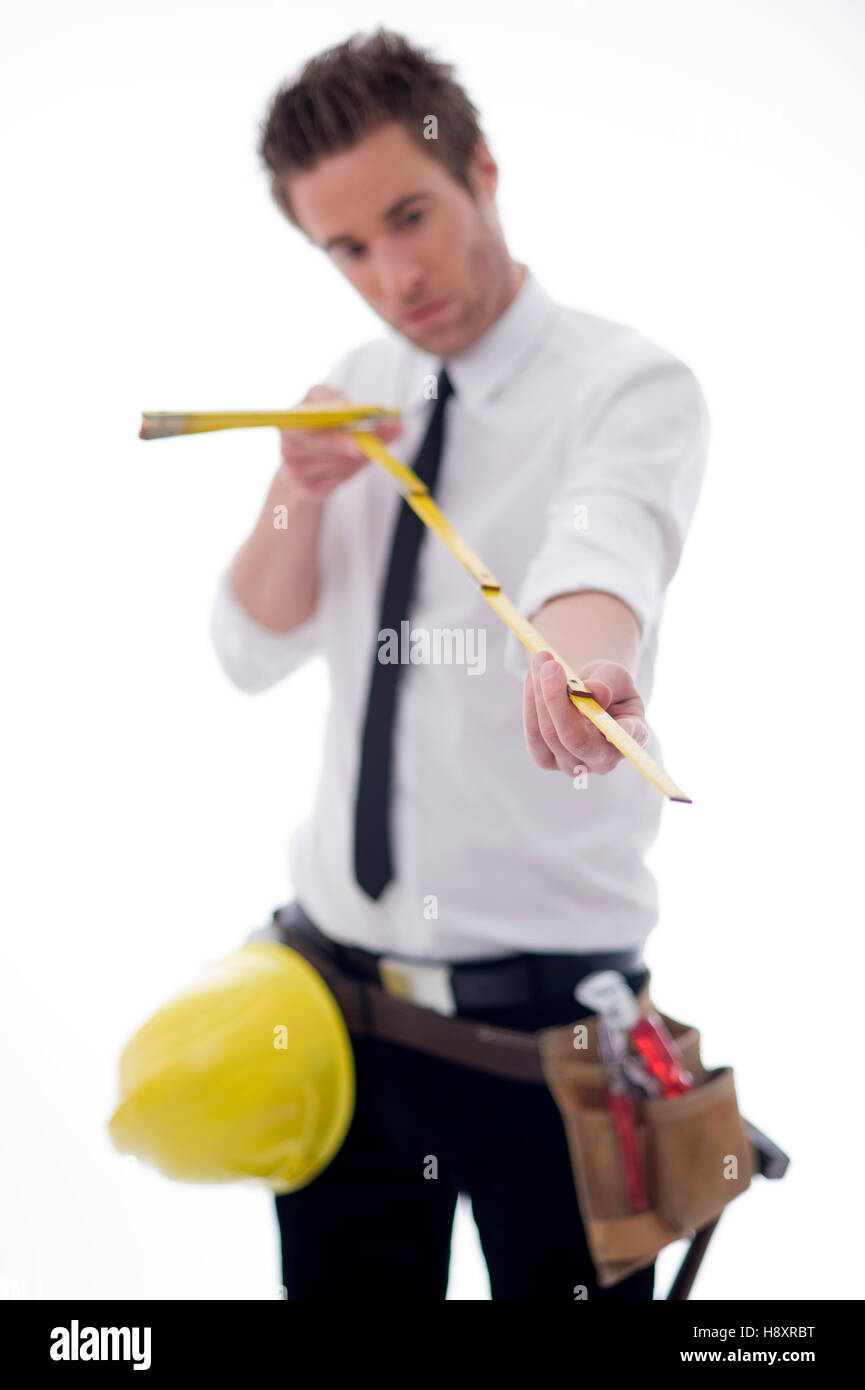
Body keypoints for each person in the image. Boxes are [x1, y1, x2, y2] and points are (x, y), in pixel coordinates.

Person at [209, 28, 709, 1301]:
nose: (392, 273)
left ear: (481, 167)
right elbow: (247, 649)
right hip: (334, 1015)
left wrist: (582, 664)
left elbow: (603, 545)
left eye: (410, 215)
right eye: (348, 248)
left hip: (546, 1047)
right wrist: (293, 491)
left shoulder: (625, 386)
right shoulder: (357, 392)